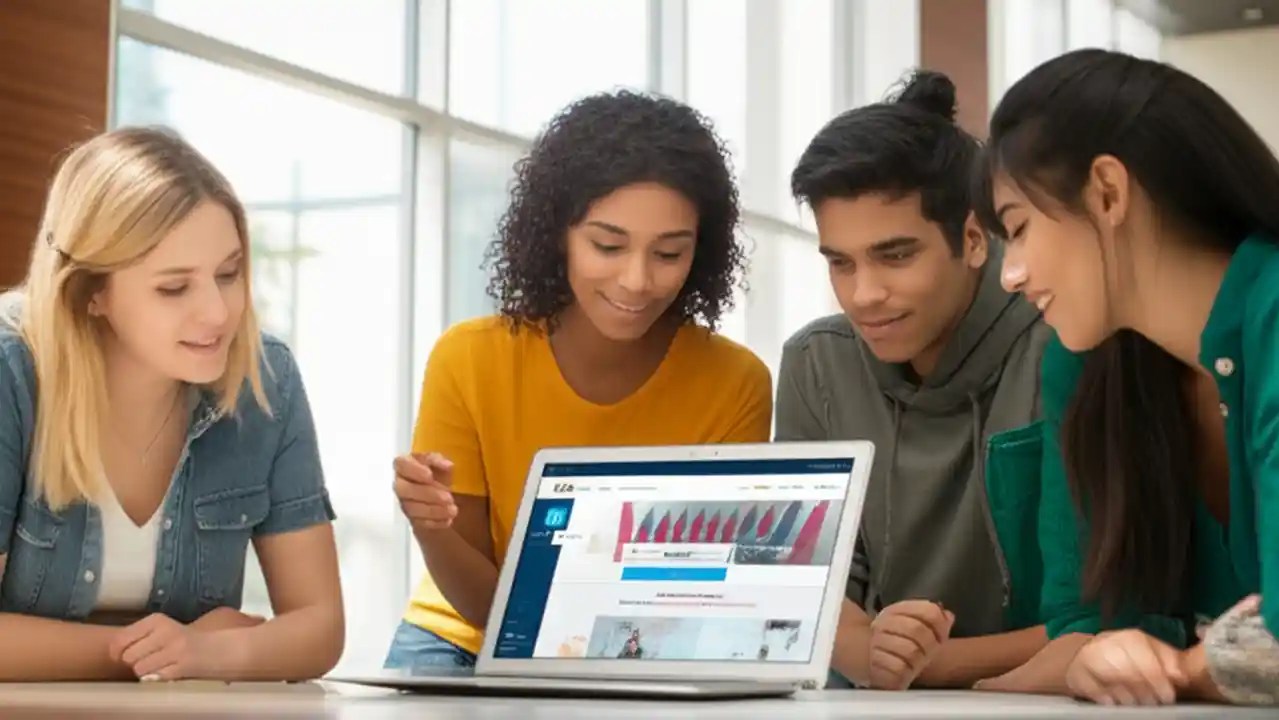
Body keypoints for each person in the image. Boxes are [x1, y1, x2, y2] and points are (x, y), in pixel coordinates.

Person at [384, 90, 773, 670]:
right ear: (556, 233)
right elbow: (483, 607)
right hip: (464, 640)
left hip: (643, 655)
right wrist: (431, 529)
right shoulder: (467, 359)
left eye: (669, 253)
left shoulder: (736, 382)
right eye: (607, 245)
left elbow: (700, 599)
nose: (637, 280)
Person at [972, 48, 1279, 706]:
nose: (1011, 274)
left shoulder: (1275, 307)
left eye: (1019, 228)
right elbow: (1084, 623)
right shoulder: (1089, 366)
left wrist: (1168, 669)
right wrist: (1103, 654)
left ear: (1108, 191)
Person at [0, 127, 343, 682]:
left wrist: (207, 654)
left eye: (228, 274)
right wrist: (155, 652)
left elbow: (320, 627)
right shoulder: (10, 372)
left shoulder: (265, 379)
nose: (217, 313)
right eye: (174, 288)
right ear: (91, 292)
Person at [779, 70, 1050, 690]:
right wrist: (866, 651)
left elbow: (1110, 611)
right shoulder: (816, 364)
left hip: (1050, 696)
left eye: (895, 256)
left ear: (976, 239)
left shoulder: (1062, 344)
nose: (864, 295)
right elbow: (812, 585)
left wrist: (933, 664)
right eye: (840, 263)